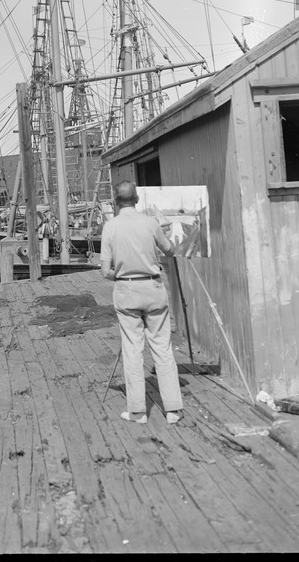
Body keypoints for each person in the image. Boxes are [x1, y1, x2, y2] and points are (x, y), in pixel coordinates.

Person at [101, 181, 183, 425]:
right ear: (136, 199)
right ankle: (173, 410)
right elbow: (169, 250)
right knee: (162, 347)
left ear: (116, 201)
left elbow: (105, 271)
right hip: (153, 288)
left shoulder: (110, 227)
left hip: (127, 291)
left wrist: (124, 273)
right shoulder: (150, 223)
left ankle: (137, 411)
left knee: (133, 350)